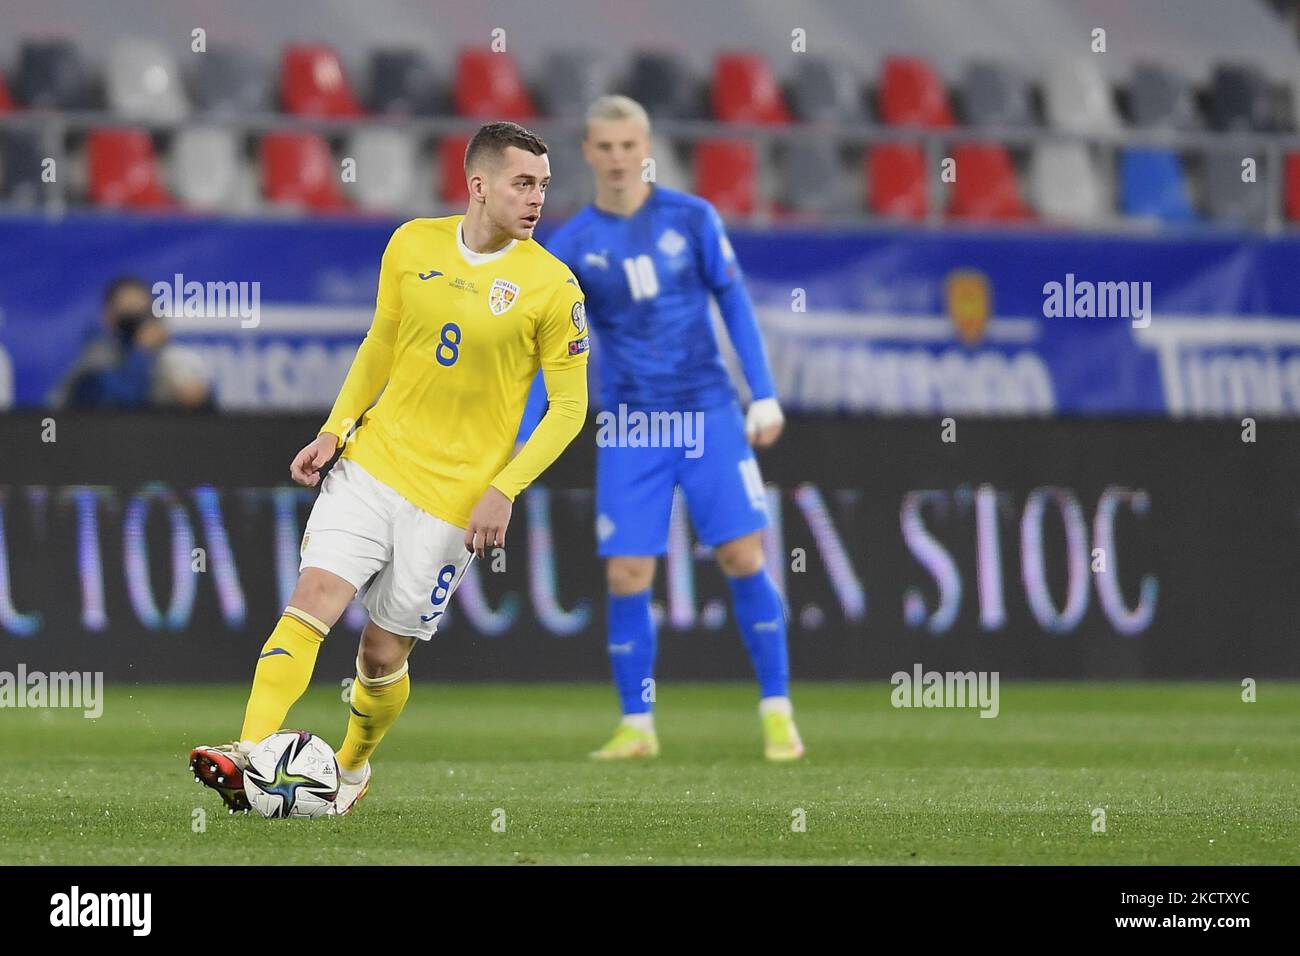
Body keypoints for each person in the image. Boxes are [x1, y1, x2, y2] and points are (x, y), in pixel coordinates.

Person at [188, 121, 590, 815]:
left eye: (544, 186)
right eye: (523, 184)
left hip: (454, 500)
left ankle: (350, 767)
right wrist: (335, 427)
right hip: (374, 462)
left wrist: (504, 488)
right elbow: (381, 340)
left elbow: (570, 409)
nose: (537, 200)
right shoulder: (412, 243)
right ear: (479, 185)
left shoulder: (554, 288)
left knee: (380, 657)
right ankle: (248, 754)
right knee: (313, 597)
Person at [518, 96, 802, 761]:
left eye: (628, 145)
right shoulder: (572, 246)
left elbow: (733, 301)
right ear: (586, 154)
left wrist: (762, 394)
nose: (617, 158)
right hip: (630, 424)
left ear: (646, 148)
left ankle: (778, 710)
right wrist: (520, 445)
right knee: (626, 576)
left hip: (708, 414)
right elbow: (548, 354)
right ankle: (636, 725)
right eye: (604, 147)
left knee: (743, 557)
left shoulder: (693, 218)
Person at [48, 276, 170, 409]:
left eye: (145, 313)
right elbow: (120, 402)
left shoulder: (159, 358)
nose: (140, 322)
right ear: (108, 316)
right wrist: (142, 352)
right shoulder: (96, 355)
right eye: (129, 314)